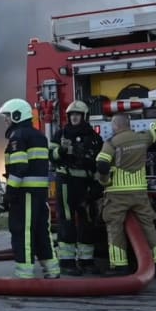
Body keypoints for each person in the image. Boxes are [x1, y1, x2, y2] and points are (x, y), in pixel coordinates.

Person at [95, 113, 156, 278]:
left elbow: (102, 163)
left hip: (117, 193)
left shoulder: (112, 143)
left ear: (115, 126)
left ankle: (120, 266)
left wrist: (104, 181)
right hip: (139, 192)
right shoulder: (143, 138)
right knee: (148, 226)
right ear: (129, 124)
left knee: (115, 228)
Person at [0, 98, 58, 279]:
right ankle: (52, 269)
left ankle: (24, 274)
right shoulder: (39, 136)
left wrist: (10, 192)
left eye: (8, 116)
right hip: (40, 193)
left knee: (22, 231)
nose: (6, 120)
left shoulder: (18, 136)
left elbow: (19, 167)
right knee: (41, 231)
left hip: (25, 193)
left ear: (17, 115)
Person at [50, 100, 104, 276]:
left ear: (84, 117)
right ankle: (67, 262)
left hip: (87, 184)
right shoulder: (61, 134)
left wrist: (98, 184)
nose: (74, 117)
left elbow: (101, 162)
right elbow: (50, 155)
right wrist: (62, 152)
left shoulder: (94, 138)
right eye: (72, 115)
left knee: (88, 221)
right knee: (66, 220)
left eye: (77, 115)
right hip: (66, 181)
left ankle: (86, 260)